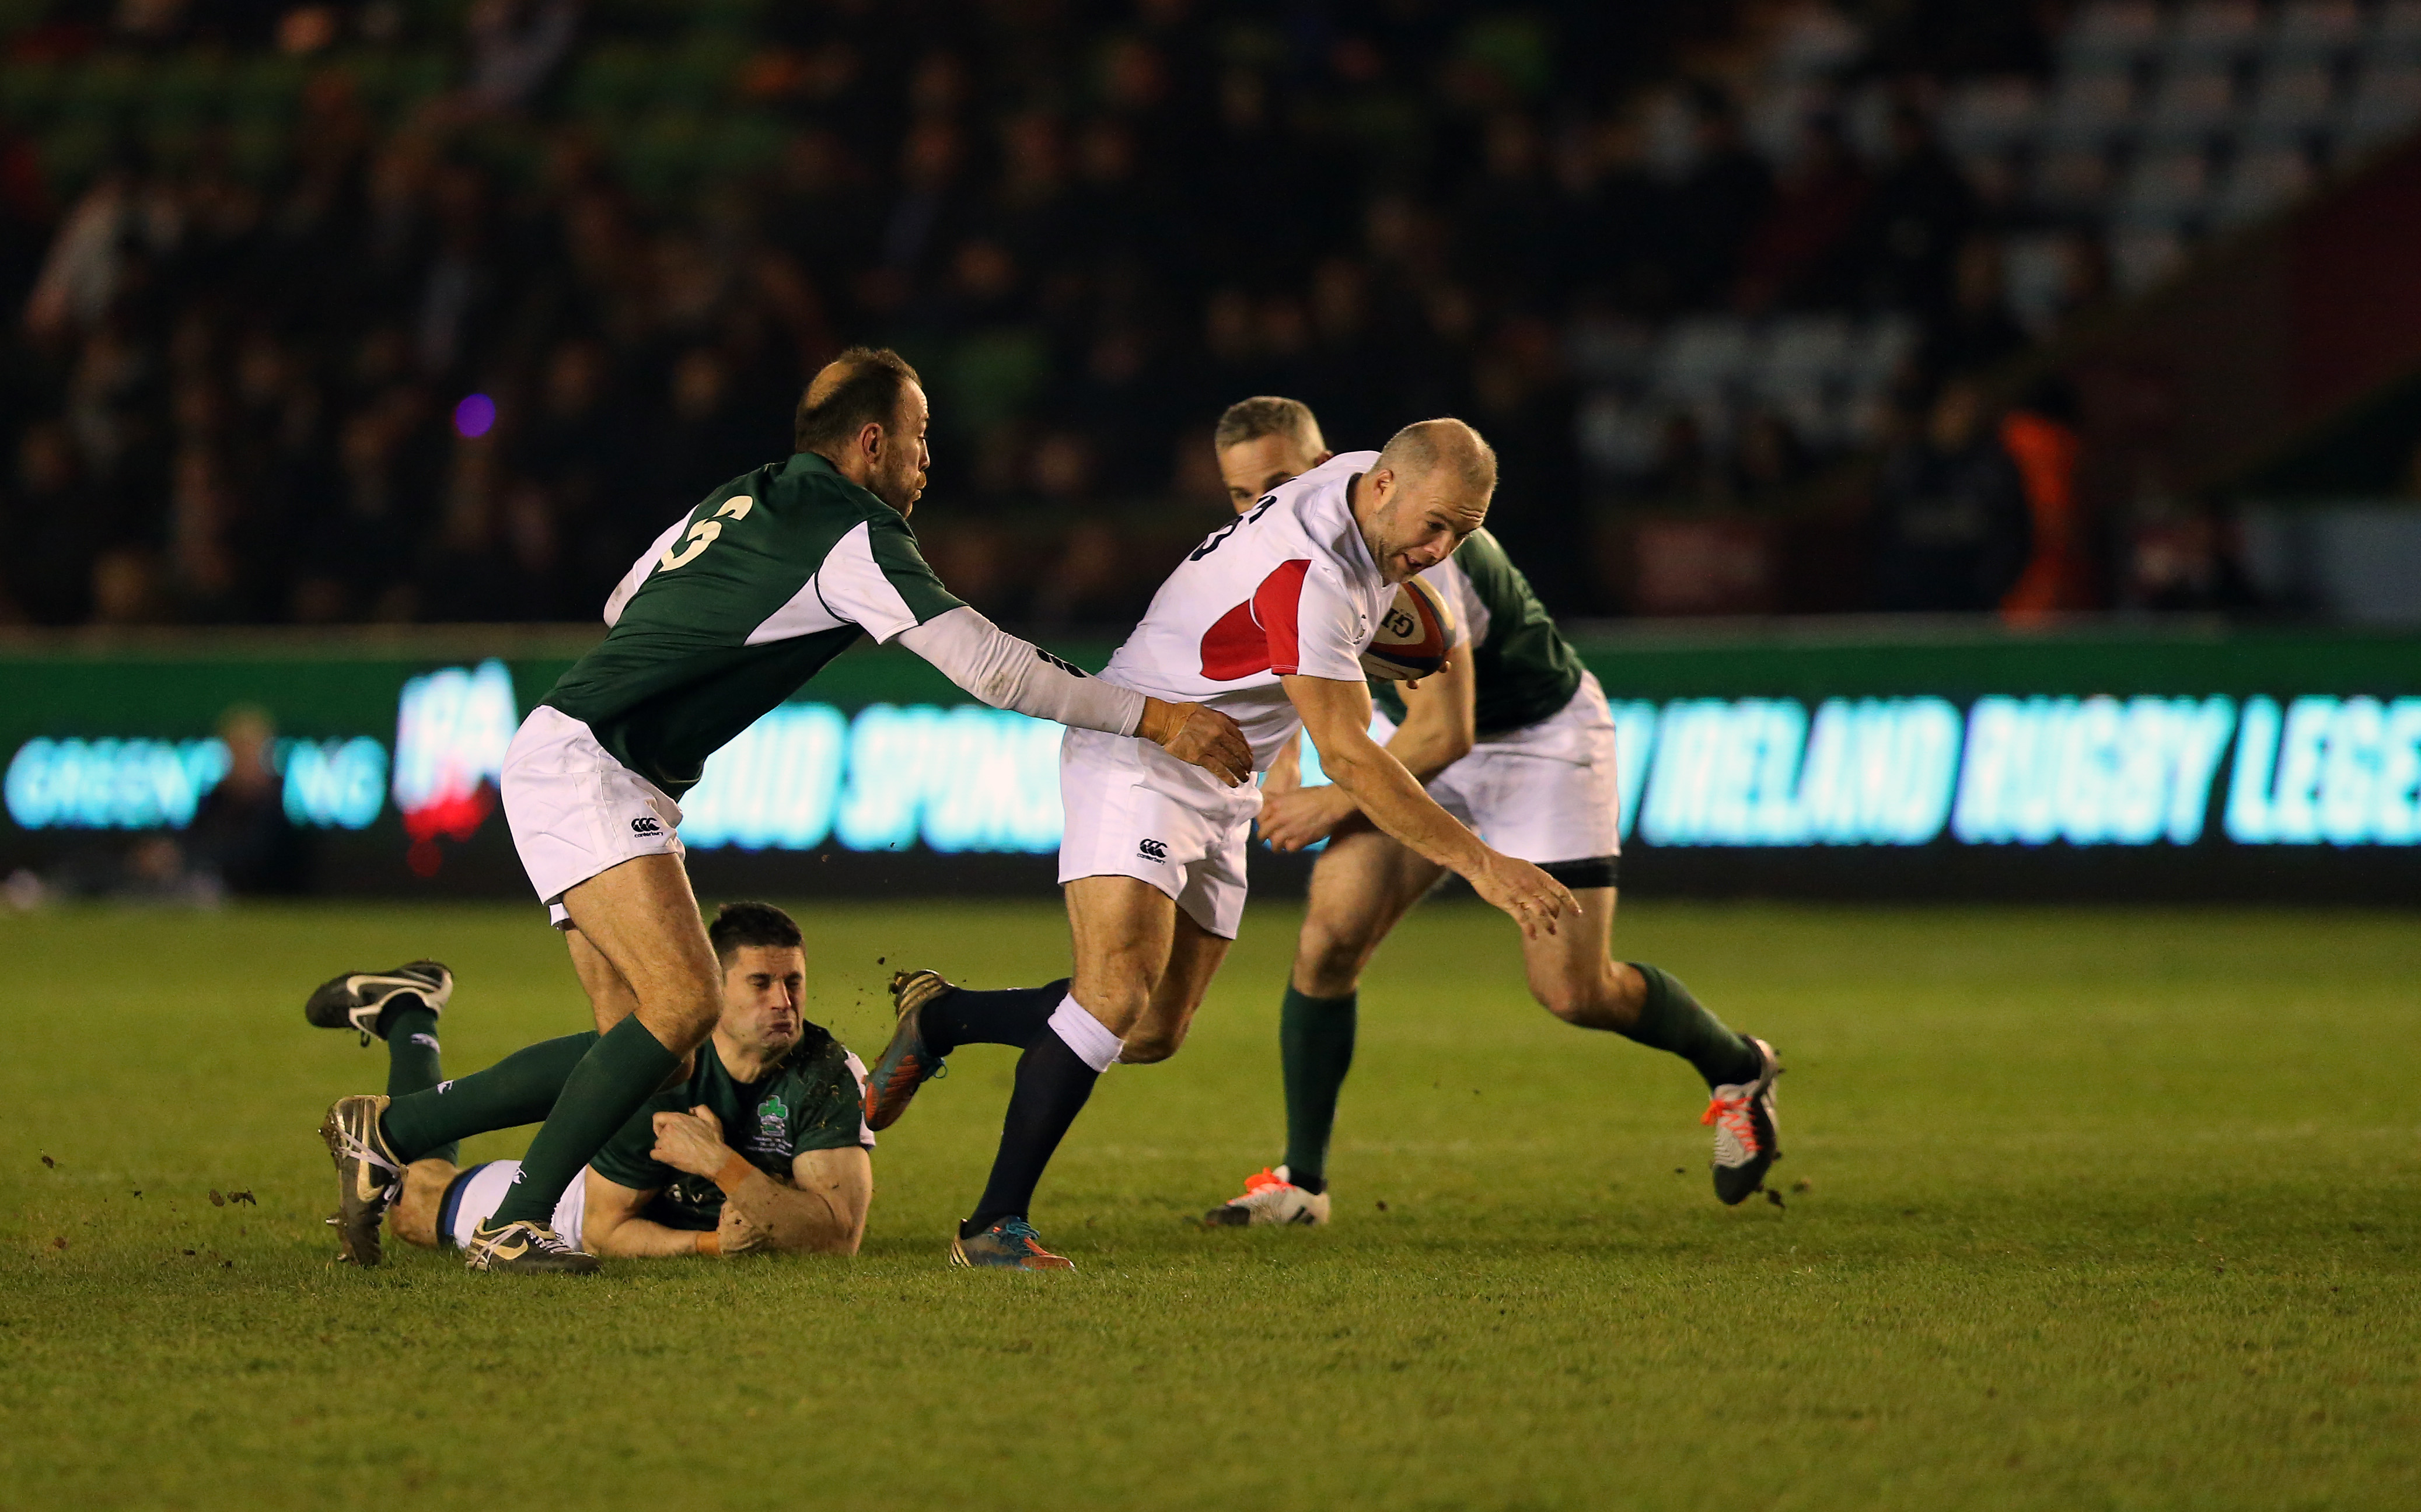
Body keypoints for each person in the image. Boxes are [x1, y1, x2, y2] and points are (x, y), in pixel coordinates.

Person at [317, 346, 1252, 1274]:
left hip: (591, 756)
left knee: (641, 1054)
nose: (931, 460)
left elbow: (622, 601)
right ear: (874, 442)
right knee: (685, 1005)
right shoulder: (850, 531)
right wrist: (1159, 717)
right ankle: (502, 1217)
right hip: (591, 763)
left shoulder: (749, 496)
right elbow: (996, 667)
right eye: (922, 438)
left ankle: (399, 1086)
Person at [863, 414, 1578, 1270]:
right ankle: (993, 1228)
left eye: (1463, 534)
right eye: (1435, 528)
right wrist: (1483, 864)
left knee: (1156, 1028)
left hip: (1225, 772)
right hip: (1144, 752)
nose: (1440, 551)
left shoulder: (1364, 484)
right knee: (1116, 989)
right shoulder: (1312, 574)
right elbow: (1350, 756)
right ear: (1384, 486)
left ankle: (945, 1018)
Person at [1192, 398, 1781, 1223]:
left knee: (1575, 992)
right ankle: (1303, 1184)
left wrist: (1330, 798)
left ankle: (1738, 1066)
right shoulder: (1287, 541)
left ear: (1341, 466)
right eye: (1239, 494)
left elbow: (1446, 729)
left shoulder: (1423, 550)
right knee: (1328, 940)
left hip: (1540, 742)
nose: (1260, 506)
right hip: (1420, 741)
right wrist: (1286, 761)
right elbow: (1289, 670)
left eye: (1281, 482)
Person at [308, 902, 872, 1264]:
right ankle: (409, 1014)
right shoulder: (657, 1070)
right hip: (586, 1204)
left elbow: (838, 1238)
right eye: (760, 983)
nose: (783, 1002)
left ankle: (408, 1009)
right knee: (416, 1201)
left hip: (672, 1196)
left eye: (794, 982)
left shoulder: (826, 1071)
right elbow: (605, 1231)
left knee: (424, 1179)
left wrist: (719, 1164)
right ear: (714, 991)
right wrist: (711, 1244)